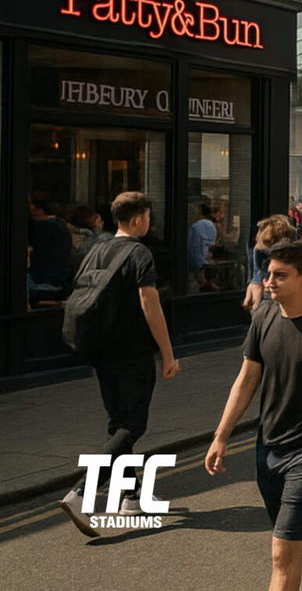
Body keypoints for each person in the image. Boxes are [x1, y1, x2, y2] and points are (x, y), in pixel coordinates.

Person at [204, 241, 302, 591]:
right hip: (270, 446)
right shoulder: (263, 317)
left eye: (280, 275)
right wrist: (221, 436)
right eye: (268, 274)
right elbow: (246, 380)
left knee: (282, 551)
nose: (269, 282)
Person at [58, 192, 182, 536]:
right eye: (148, 215)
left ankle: (129, 496)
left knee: (119, 424)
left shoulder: (95, 248)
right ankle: (81, 493)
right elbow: (149, 303)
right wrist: (168, 353)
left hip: (100, 351)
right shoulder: (139, 252)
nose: (149, 221)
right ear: (139, 219)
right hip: (131, 352)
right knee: (133, 425)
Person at [188, 202, 219, 290]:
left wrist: (200, 267)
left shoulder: (200, 226)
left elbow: (198, 249)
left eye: (193, 211)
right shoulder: (205, 226)